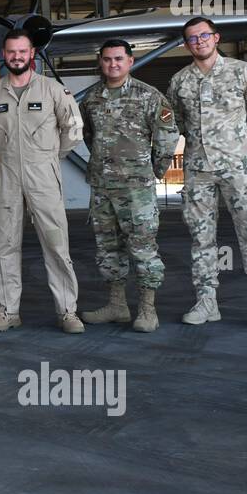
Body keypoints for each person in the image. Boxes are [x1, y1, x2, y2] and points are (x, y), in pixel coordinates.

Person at [167, 17, 247, 329]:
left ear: (216, 37)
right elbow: (177, 125)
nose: (199, 41)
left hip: (237, 170)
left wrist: (240, 151)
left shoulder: (243, 72)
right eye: (192, 38)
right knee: (201, 238)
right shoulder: (179, 81)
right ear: (186, 44)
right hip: (198, 172)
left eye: (204, 35)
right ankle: (207, 302)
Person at [0, 29, 86, 334]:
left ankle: (67, 311)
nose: (16, 57)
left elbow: (73, 130)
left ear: (32, 53)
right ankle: (8, 311)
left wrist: (48, 156)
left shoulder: (53, 91)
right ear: (5, 55)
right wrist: (8, 154)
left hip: (44, 176)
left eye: (22, 51)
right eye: (11, 52)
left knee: (55, 244)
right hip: (6, 175)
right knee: (4, 246)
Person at [79, 39, 181, 332]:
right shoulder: (92, 98)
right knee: (107, 247)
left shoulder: (148, 96)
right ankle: (117, 305)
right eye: (108, 59)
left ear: (130, 61)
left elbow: (166, 136)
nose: (113, 64)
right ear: (101, 61)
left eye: (119, 59)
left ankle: (148, 309)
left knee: (142, 247)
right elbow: (90, 136)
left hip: (136, 189)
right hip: (102, 187)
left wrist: (153, 171)